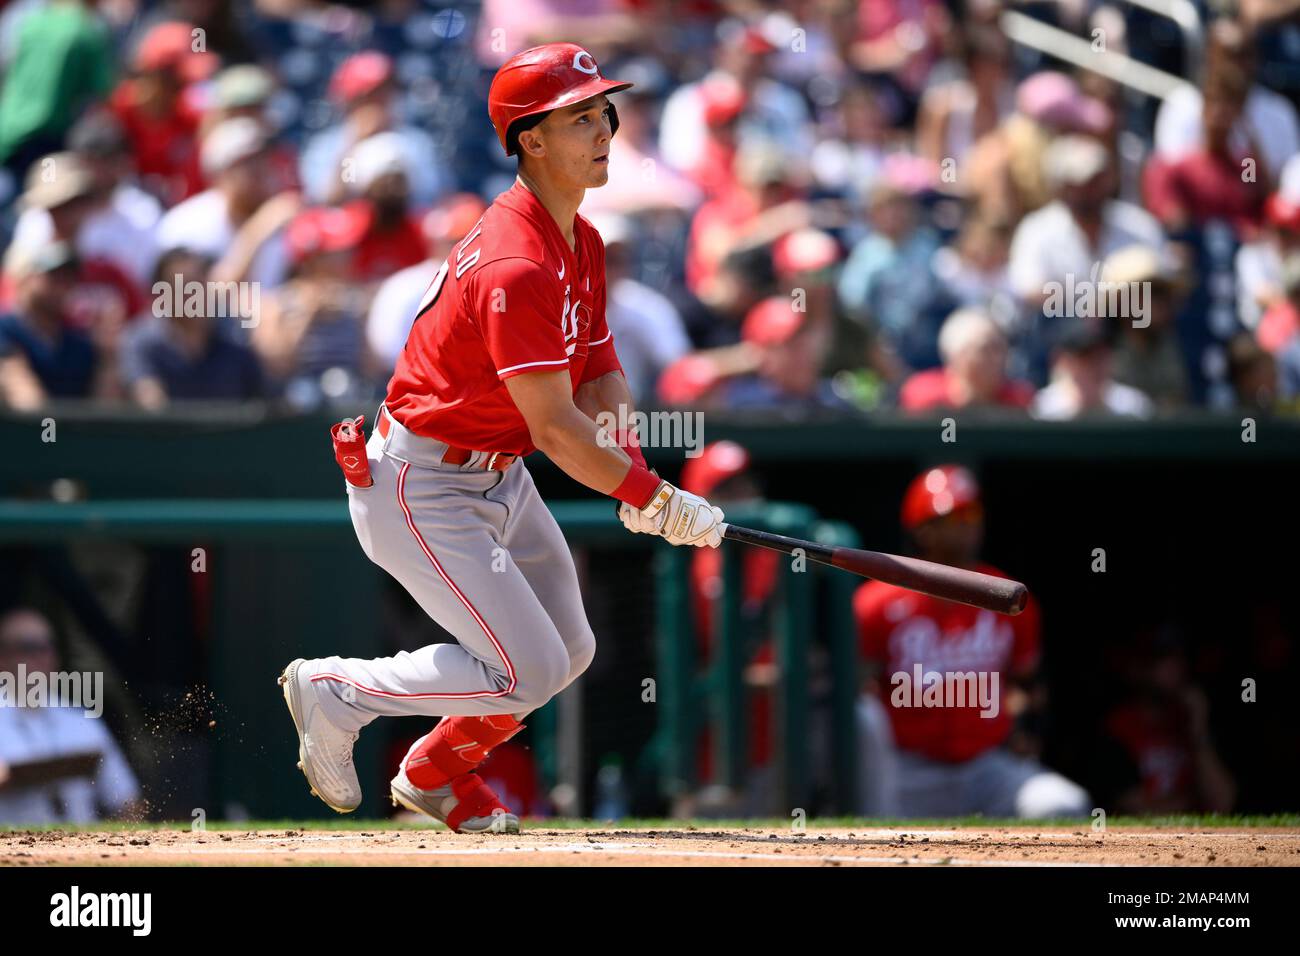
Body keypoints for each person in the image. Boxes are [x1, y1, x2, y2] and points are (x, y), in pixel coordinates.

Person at [279, 44, 726, 833]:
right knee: (527, 669)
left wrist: (630, 468)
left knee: (568, 650)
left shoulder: (579, 241)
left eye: (604, 113)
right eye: (579, 117)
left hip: (496, 476)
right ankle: (339, 691)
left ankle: (437, 772)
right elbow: (556, 428)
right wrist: (650, 496)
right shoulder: (517, 260)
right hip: (422, 483)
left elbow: (599, 376)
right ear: (530, 140)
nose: (604, 130)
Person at [854, 465, 1089, 819]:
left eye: (972, 512)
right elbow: (857, 692)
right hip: (907, 771)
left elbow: (1028, 685)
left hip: (986, 768)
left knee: (1061, 805)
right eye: (953, 515)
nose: (967, 524)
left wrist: (1023, 726)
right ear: (922, 528)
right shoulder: (877, 603)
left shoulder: (1008, 597)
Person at [0, 607, 141, 824]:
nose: (40, 657)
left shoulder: (83, 720)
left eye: (47, 647)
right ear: (4, 657)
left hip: (80, 848)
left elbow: (127, 801)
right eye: (28, 648)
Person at [898, 307, 1034, 413]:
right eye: (985, 350)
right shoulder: (923, 398)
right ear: (956, 355)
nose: (997, 359)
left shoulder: (1019, 401)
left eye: (1000, 349)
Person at [1031, 320, 1155, 420]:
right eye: (1084, 356)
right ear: (1064, 361)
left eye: (1100, 355)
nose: (1094, 365)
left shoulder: (1133, 408)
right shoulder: (1045, 409)